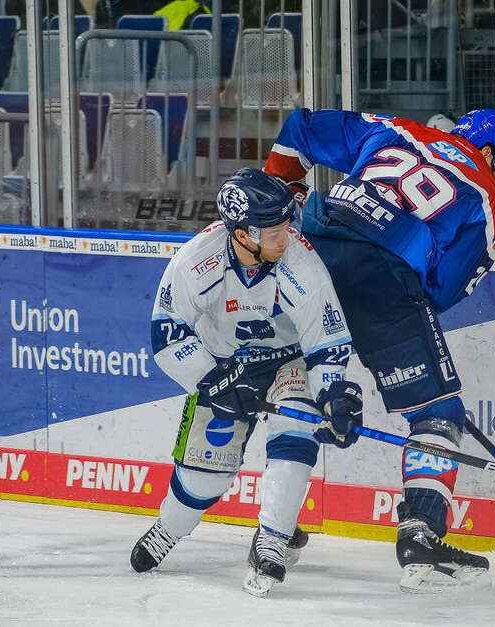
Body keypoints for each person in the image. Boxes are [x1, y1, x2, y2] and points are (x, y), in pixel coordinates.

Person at [263, 108, 495, 592]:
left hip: (310, 250)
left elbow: (299, 128)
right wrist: (390, 321)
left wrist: (287, 192)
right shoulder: (488, 197)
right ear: (489, 153)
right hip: (383, 276)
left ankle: (275, 531)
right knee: (436, 411)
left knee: (297, 385)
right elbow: (440, 292)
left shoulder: (397, 129)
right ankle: (420, 531)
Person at [129, 168, 363, 598]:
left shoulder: (301, 263)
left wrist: (334, 397)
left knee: (296, 427)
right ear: (240, 232)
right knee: (203, 481)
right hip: (223, 365)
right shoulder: (197, 261)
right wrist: (214, 382)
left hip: (287, 361)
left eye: (286, 227)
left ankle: (272, 539)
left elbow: (325, 343)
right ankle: (170, 527)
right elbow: (167, 334)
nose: (284, 239)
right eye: (273, 232)